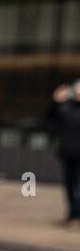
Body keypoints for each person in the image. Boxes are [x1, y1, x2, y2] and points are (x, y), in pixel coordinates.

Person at [51, 79, 80, 228]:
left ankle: (76, 216)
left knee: (78, 187)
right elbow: (50, 119)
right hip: (67, 153)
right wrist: (56, 101)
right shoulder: (65, 107)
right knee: (69, 186)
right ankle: (71, 215)